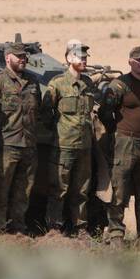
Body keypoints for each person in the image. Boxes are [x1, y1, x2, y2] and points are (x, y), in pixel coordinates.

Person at [102, 44, 140, 244]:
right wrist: (116, 131)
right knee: (119, 191)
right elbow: (105, 111)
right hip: (124, 141)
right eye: (138, 60)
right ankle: (116, 233)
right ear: (130, 62)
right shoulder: (120, 85)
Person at [41, 40, 100, 236]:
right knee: (59, 189)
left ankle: (80, 227)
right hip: (63, 145)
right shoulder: (57, 84)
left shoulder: (88, 84)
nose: (83, 60)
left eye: (84, 57)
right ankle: (54, 228)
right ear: (68, 59)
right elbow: (45, 112)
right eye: (79, 56)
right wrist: (60, 130)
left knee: (82, 190)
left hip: (84, 146)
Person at [0, 39, 40, 234]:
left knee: (23, 192)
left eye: (25, 56)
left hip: (28, 145)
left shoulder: (33, 82)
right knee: (0, 190)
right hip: (5, 145)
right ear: (8, 58)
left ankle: (18, 229)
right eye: (19, 56)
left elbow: (38, 111)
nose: (23, 59)